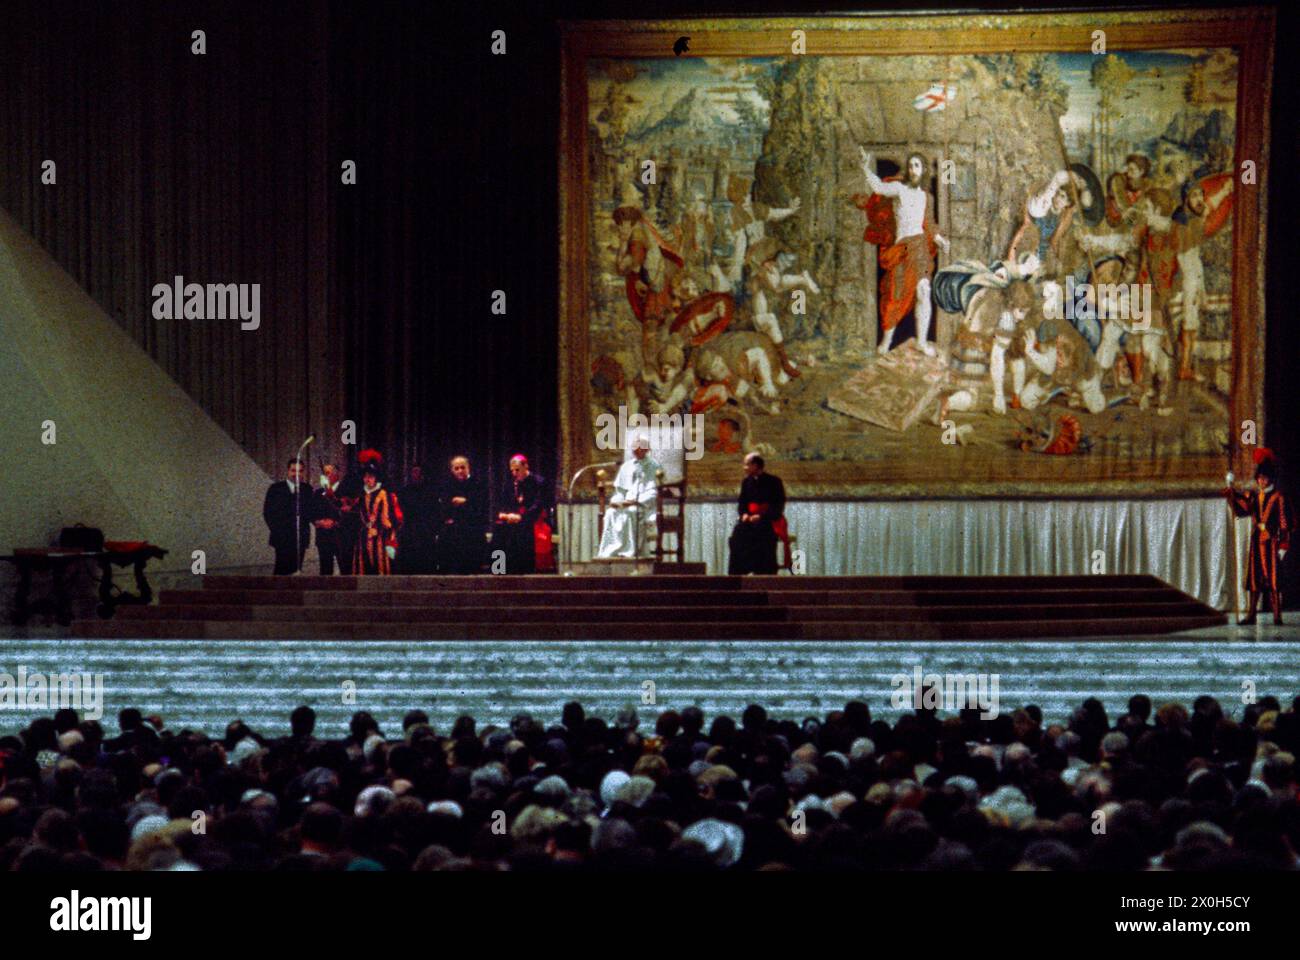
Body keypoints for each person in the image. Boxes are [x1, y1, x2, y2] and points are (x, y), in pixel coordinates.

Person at [854, 148, 950, 356]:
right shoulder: (899, 189)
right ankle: (886, 342)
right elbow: (879, 188)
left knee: (924, 291)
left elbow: (930, 224)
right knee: (894, 296)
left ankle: (922, 342)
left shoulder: (927, 197)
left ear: (924, 170)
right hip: (901, 249)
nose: (913, 169)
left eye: (917, 165)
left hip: (919, 248)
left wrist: (939, 239)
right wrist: (864, 167)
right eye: (911, 166)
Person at [1224, 450, 1292, 625]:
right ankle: (1251, 614)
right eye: (1259, 478)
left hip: (1272, 543)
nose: (1261, 481)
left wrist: (1283, 544)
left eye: (1265, 478)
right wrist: (1231, 488)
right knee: (1255, 579)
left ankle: (1277, 615)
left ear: (1270, 479)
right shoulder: (1254, 496)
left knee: (1274, 580)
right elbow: (1242, 507)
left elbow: (1285, 522)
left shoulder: (1279, 497)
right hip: (1257, 543)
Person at [596, 436, 660, 559]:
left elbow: (654, 491)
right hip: (625, 503)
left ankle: (631, 552)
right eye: (634, 448)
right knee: (610, 513)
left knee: (632, 512)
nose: (635, 451)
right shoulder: (627, 466)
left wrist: (635, 501)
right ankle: (611, 552)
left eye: (639, 448)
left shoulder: (654, 465)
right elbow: (620, 491)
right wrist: (616, 501)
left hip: (643, 504)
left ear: (646, 449)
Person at [727, 452, 786, 575]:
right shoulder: (746, 482)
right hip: (749, 521)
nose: (744, 468)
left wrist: (761, 516)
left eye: (747, 465)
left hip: (768, 520)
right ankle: (740, 572)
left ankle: (763, 572)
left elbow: (778, 505)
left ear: (755, 465)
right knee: (737, 536)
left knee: (762, 537)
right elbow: (742, 503)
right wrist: (744, 514)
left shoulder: (774, 481)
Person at [493, 455, 547, 574]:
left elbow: (538, 504)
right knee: (499, 533)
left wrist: (522, 517)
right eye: (512, 470)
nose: (514, 473)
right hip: (512, 521)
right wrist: (505, 514)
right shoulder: (510, 483)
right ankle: (500, 571)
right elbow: (504, 502)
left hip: (530, 521)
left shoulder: (538, 482)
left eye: (517, 470)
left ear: (525, 466)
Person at [437, 456, 488, 574]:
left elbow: (482, 506)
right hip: (454, 531)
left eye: (462, 467)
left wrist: (466, 502)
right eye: (456, 468)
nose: (460, 471)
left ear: (468, 468)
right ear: (452, 470)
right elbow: (444, 506)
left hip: (472, 529)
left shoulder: (478, 484)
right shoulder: (447, 486)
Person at [263, 458, 313, 575]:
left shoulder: (307, 489)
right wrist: (279, 531)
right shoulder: (275, 489)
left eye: (300, 471)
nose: (296, 474)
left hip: (300, 537)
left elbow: (311, 512)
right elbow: (268, 513)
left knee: (296, 571)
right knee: (281, 571)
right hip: (282, 538)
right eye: (293, 470)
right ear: (288, 471)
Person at [353, 463, 402, 576]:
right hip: (365, 536)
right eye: (365, 476)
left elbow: (391, 518)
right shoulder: (361, 495)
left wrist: (378, 528)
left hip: (382, 536)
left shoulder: (385, 494)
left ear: (376, 478)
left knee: (382, 565)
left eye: (371, 476)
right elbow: (355, 514)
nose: (367, 479)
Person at [397, 465, 438, 574]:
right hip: (409, 527)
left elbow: (435, 511)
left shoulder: (430, 491)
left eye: (418, 472)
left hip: (426, 528)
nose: (416, 475)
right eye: (414, 472)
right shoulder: (405, 491)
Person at [310, 463, 350, 575]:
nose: (324, 476)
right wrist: (318, 521)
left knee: (345, 568)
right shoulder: (318, 493)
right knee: (325, 570)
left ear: (336, 475)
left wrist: (335, 521)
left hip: (341, 536)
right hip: (323, 536)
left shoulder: (345, 491)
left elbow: (350, 513)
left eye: (327, 473)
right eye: (323, 473)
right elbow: (312, 513)